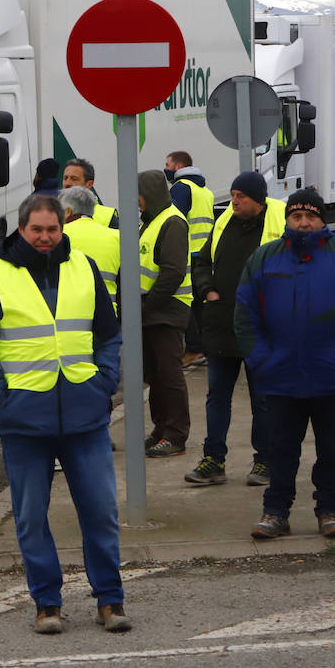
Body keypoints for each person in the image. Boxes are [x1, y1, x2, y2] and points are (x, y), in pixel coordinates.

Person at [0, 194, 128, 634]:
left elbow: (108, 335)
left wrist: (104, 383)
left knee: (101, 513)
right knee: (31, 518)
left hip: (84, 415)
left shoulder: (85, 268)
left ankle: (110, 600)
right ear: (21, 229)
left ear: (63, 228)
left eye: (52, 229)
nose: (45, 237)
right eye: (36, 230)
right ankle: (47, 604)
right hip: (23, 420)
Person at [235, 189, 335, 539]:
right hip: (280, 375)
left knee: (332, 449)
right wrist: (261, 359)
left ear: (323, 219)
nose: (304, 223)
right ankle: (276, 512)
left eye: (311, 216)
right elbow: (245, 313)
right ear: (287, 220)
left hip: (331, 374)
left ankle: (330, 510)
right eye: (297, 216)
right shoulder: (265, 257)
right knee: (280, 449)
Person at [182, 172, 280, 488]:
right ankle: (214, 460)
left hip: (261, 327)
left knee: (262, 398)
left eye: (241, 196)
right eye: (234, 195)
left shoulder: (276, 222)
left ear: (258, 199)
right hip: (222, 324)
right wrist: (208, 290)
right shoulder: (224, 222)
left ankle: (265, 461)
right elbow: (201, 262)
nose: (234, 201)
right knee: (217, 397)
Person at [138, 170, 193, 457]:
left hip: (166, 310)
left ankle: (176, 435)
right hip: (152, 310)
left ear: (150, 194)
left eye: (139, 195)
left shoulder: (172, 221)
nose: (137, 201)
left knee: (169, 375)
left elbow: (172, 272)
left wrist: (146, 306)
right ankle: (161, 429)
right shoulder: (151, 220)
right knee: (155, 375)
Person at [165, 150, 213, 368]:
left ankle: (194, 349)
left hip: (188, 254)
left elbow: (174, 220)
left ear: (178, 167)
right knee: (201, 306)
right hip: (204, 254)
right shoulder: (204, 190)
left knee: (187, 304)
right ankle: (205, 348)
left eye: (168, 165)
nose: (166, 169)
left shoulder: (181, 188)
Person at [61, 185, 120, 307]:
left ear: (67, 212)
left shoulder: (58, 236)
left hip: (68, 313)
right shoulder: (117, 237)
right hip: (108, 312)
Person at [63, 158, 119, 228]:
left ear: (89, 184)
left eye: (74, 179)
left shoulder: (107, 216)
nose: (67, 183)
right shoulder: (53, 211)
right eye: (65, 178)